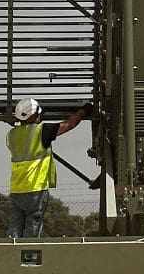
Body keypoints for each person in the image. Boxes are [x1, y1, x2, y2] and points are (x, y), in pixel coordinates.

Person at [5, 97, 90, 239]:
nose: (40, 116)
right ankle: (27, 256)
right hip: (35, 189)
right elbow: (68, 125)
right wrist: (84, 111)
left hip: (17, 189)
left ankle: (10, 253)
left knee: (15, 224)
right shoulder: (41, 131)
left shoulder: (11, 135)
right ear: (32, 116)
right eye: (38, 114)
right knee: (33, 222)